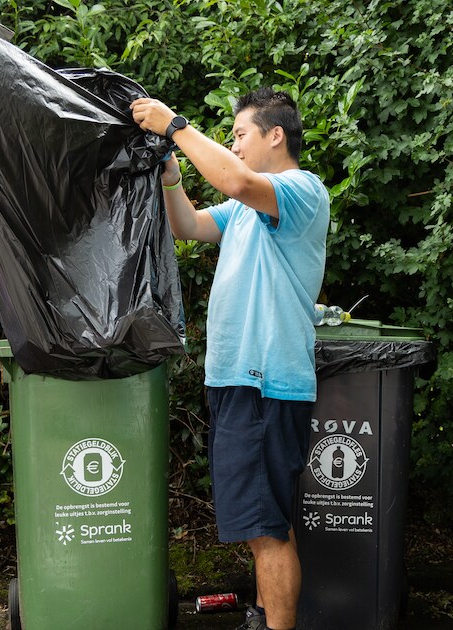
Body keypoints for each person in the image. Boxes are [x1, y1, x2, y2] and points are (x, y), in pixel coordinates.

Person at [131, 89, 329, 630]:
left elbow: (237, 180)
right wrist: (171, 177)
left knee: (266, 528)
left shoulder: (301, 190)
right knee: (260, 521)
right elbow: (189, 226)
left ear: (275, 135)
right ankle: (261, 617)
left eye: (240, 134)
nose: (234, 145)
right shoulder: (246, 210)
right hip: (237, 379)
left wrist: (176, 127)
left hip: (266, 382)